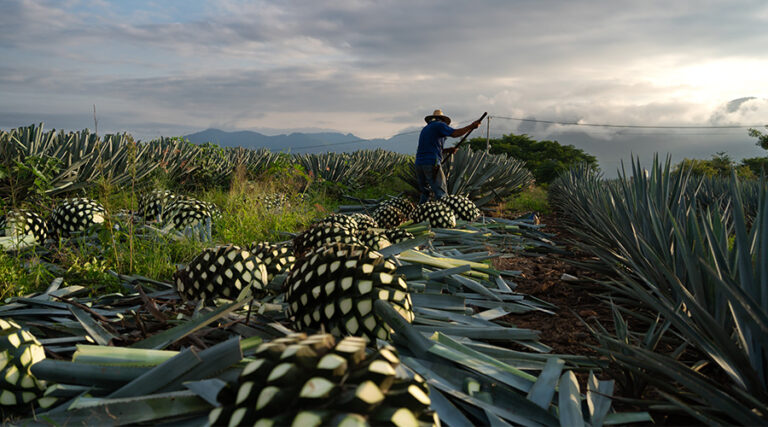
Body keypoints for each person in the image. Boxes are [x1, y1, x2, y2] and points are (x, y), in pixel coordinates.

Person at [415, 109, 482, 204]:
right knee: (441, 193)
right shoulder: (439, 125)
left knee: (425, 192)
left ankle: (419, 214)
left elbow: (429, 148)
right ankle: (443, 216)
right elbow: (455, 134)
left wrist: (447, 150)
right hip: (431, 163)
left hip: (419, 164)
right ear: (442, 120)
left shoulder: (426, 129)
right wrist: (471, 126)